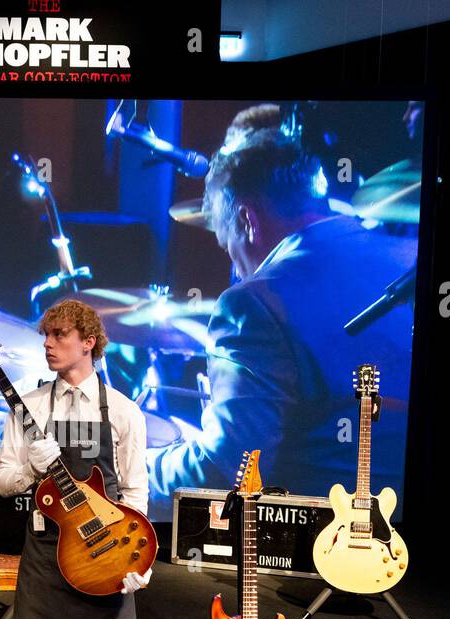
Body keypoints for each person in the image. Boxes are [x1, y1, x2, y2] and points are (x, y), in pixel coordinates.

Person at [147, 108, 416, 513]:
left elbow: (226, 475)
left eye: (229, 247)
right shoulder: (409, 257)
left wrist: (134, 465)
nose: (238, 269)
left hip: (325, 544)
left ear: (246, 220)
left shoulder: (253, 304)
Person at [0, 298, 151, 619]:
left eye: (59, 335)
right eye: (45, 336)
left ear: (89, 342)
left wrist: (139, 561)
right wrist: (32, 472)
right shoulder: (30, 407)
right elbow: (1, 480)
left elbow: (135, 491)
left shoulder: (124, 411)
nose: (47, 344)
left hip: (107, 552)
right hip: (45, 549)